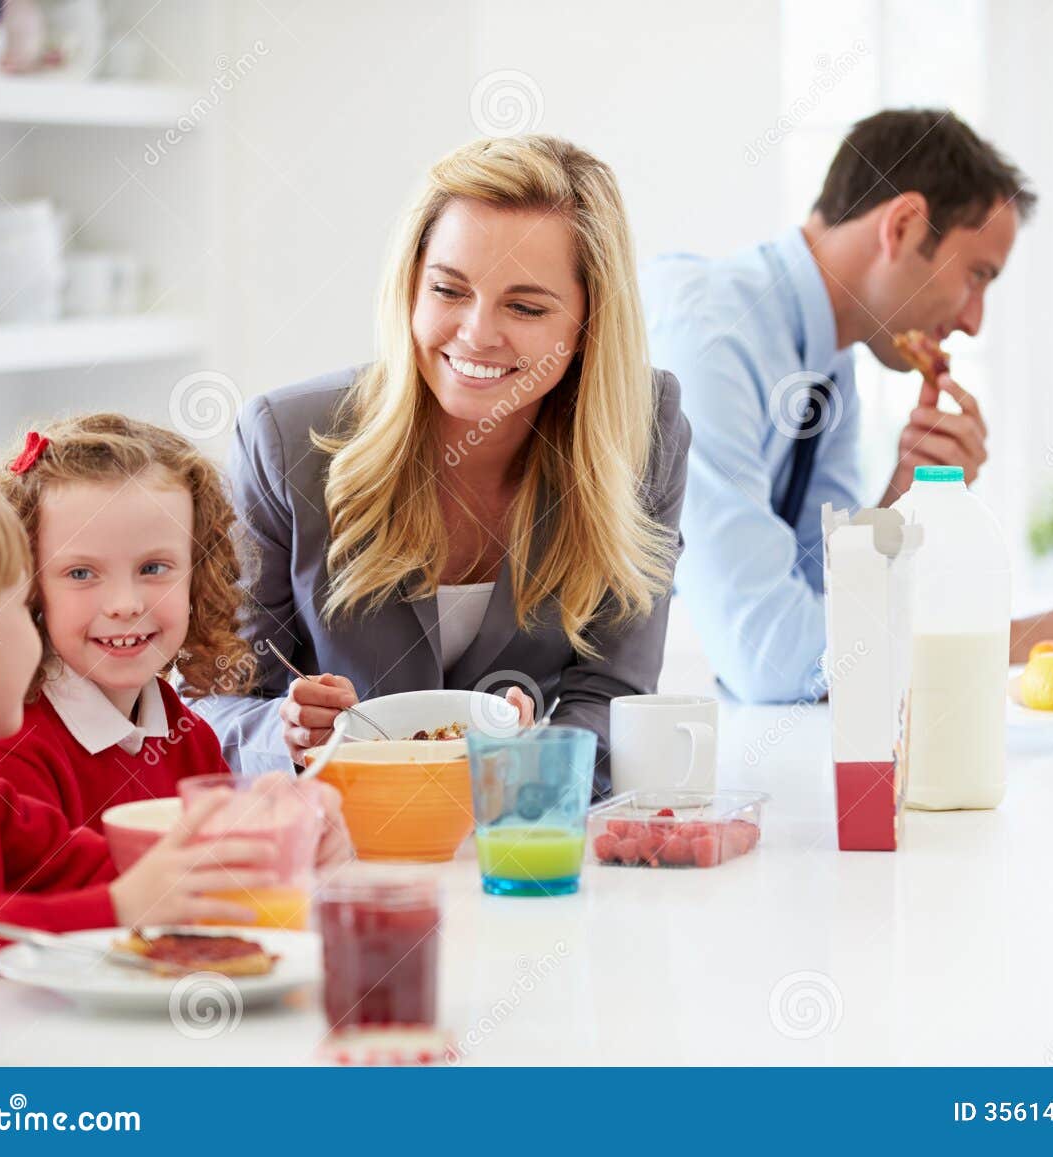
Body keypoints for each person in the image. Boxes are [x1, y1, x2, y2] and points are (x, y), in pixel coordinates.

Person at [195, 135, 689, 794]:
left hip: (527, 835)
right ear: (410, 286)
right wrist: (281, 735)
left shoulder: (644, 429)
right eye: (450, 290)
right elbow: (209, 702)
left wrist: (537, 754)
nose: (478, 333)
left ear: (590, 320)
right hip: (345, 839)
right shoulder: (285, 439)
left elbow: (615, 695)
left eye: (526, 306)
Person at [642, 108, 1053, 703]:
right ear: (903, 226)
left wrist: (904, 496)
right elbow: (771, 657)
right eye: (977, 276)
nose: (973, 322)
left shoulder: (830, 364)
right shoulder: (713, 338)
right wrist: (1016, 641)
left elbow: (825, 601)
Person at [0, 455, 279, 1009]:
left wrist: (247, 853)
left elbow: (66, 865)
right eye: (22, 610)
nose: (41, 635)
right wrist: (120, 907)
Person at [0, 415, 350, 866]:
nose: (125, 604)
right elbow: (32, 915)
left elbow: (222, 883)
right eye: (81, 573)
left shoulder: (187, 735)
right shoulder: (5, 750)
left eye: (153, 569)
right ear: (27, 586)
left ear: (200, 574)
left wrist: (293, 835)